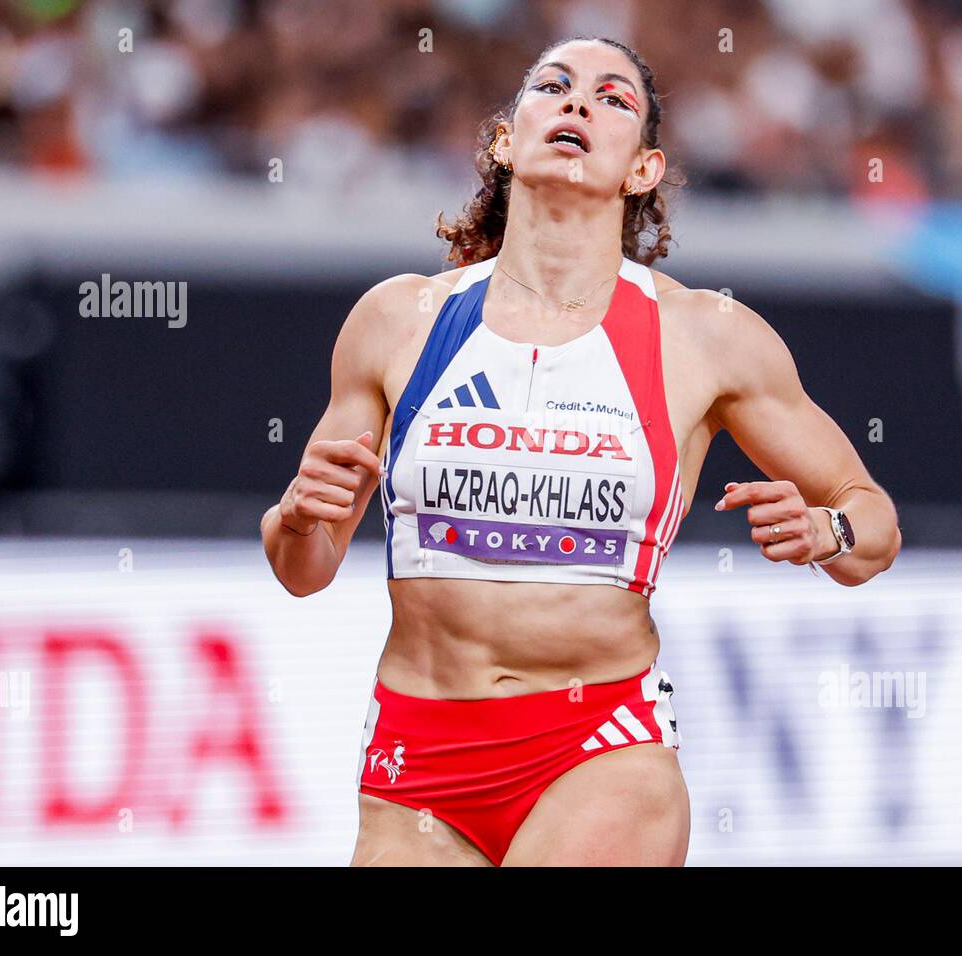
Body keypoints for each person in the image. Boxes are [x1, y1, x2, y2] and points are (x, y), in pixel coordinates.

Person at [261, 35, 901, 867]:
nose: (577, 104)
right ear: (504, 138)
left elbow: (874, 523)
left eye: (613, 98)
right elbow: (302, 569)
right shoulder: (398, 320)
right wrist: (296, 517)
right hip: (415, 755)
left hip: (600, 744)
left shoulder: (706, 336)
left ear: (643, 169)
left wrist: (829, 534)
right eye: (553, 86)